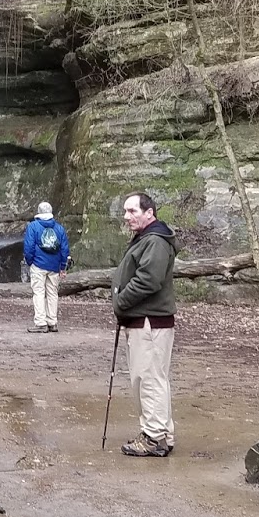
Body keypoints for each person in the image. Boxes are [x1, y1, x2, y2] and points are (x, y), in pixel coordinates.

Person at [111, 192, 176, 457]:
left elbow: (149, 279)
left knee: (148, 379)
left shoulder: (155, 241)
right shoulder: (148, 239)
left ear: (149, 213)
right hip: (147, 320)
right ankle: (161, 434)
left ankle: (154, 437)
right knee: (153, 378)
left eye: (132, 211)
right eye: (125, 211)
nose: (127, 217)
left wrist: (120, 302)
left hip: (149, 321)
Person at [22, 201, 70, 333]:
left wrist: (30, 261)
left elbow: (29, 247)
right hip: (54, 266)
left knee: (39, 292)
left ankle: (40, 323)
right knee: (52, 293)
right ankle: (52, 322)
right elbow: (64, 249)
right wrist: (62, 267)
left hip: (38, 264)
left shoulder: (33, 226)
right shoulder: (59, 228)